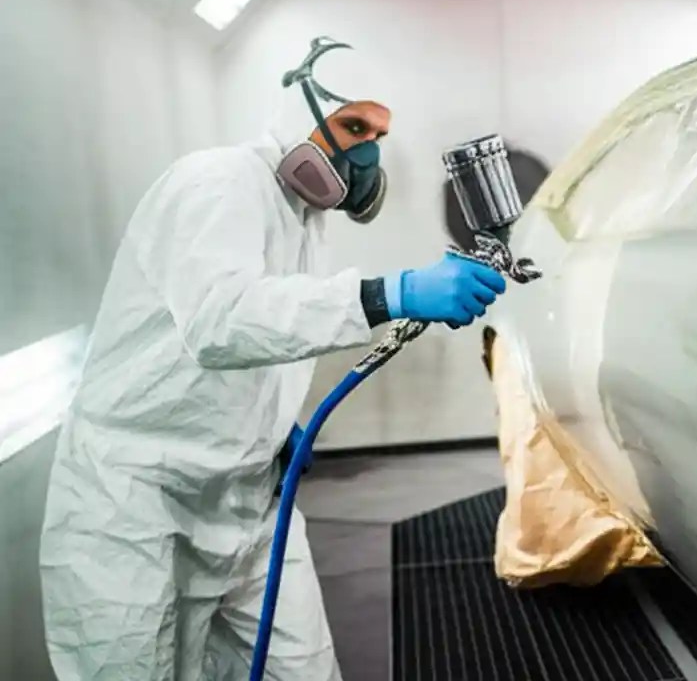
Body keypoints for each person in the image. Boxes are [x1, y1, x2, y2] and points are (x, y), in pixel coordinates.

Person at [38, 37, 504, 680]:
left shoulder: (304, 219)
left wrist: (271, 426)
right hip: (140, 506)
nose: (366, 152)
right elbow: (222, 321)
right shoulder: (216, 181)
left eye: (378, 133)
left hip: (248, 502)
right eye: (353, 127)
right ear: (299, 113)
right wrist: (389, 293)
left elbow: (271, 337)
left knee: (303, 668)